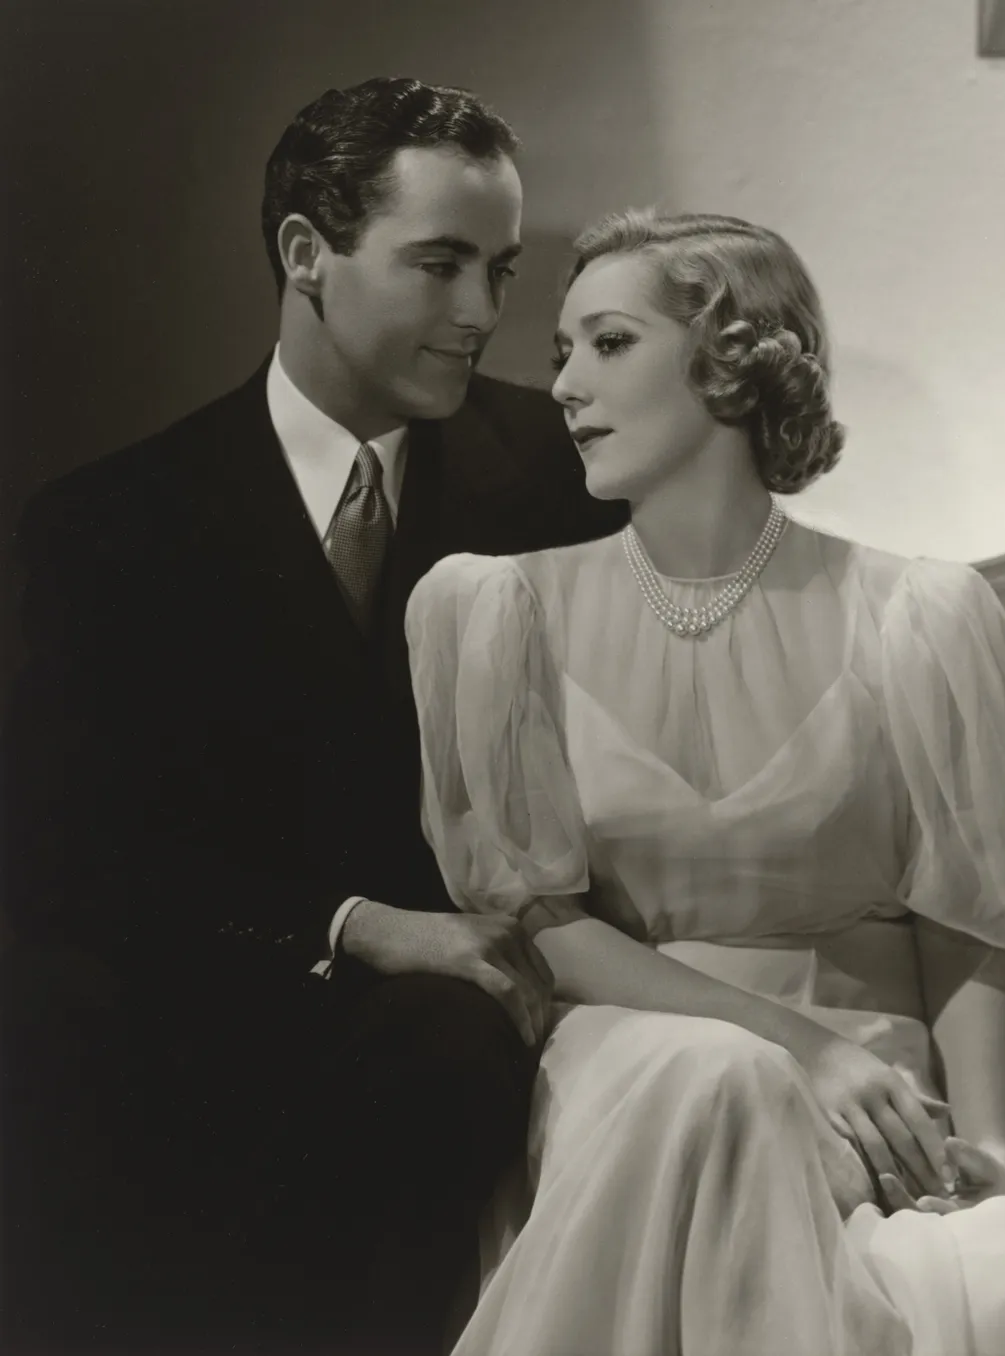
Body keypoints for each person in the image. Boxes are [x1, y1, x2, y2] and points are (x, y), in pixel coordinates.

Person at [0, 78, 625, 1355]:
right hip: (197, 1001)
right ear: (307, 255)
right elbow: (70, 855)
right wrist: (351, 926)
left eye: (498, 272)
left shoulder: (564, 473)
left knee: (444, 1052)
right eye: (438, 265)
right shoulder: (108, 524)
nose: (480, 316)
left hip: (472, 1021)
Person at [405, 209, 1005, 1354]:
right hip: (633, 1063)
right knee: (717, 1077)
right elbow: (536, 920)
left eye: (607, 344)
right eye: (561, 350)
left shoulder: (920, 617)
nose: (563, 385)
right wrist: (790, 1045)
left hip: (876, 1087)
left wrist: (995, 1154)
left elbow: (971, 928)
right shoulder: (494, 611)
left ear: (731, 358)